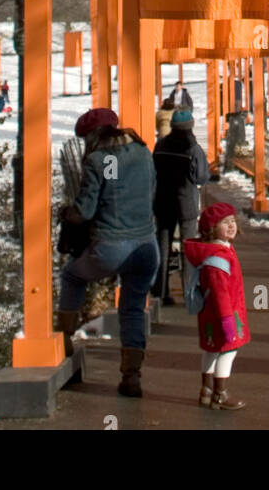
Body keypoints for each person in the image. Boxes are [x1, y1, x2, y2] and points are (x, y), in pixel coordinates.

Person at [57, 108, 159, 398]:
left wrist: (66, 212)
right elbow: (151, 191)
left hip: (110, 248)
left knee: (72, 277)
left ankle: (64, 341)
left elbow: (85, 211)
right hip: (146, 247)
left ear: (92, 137)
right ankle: (131, 375)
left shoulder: (97, 160)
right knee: (132, 309)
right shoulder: (142, 152)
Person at [184, 202, 251, 410]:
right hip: (225, 314)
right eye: (225, 223)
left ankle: (206, 390)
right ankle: (220, 394)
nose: (231, 226)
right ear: (212, 229)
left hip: (209, 315)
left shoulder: (215, 251)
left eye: (233, 221)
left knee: (211, 350)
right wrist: (228, 320)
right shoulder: (218, 258)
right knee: (228, 351)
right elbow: (221, 293)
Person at [153, 108, 210, 304]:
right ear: (190, 126)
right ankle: (189, 292)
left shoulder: (160, 145)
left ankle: (160, 291)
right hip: (186, 203)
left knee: (162, 246)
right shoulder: (193, 149)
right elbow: (201, 176)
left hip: (162, 202)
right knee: (189, 247)